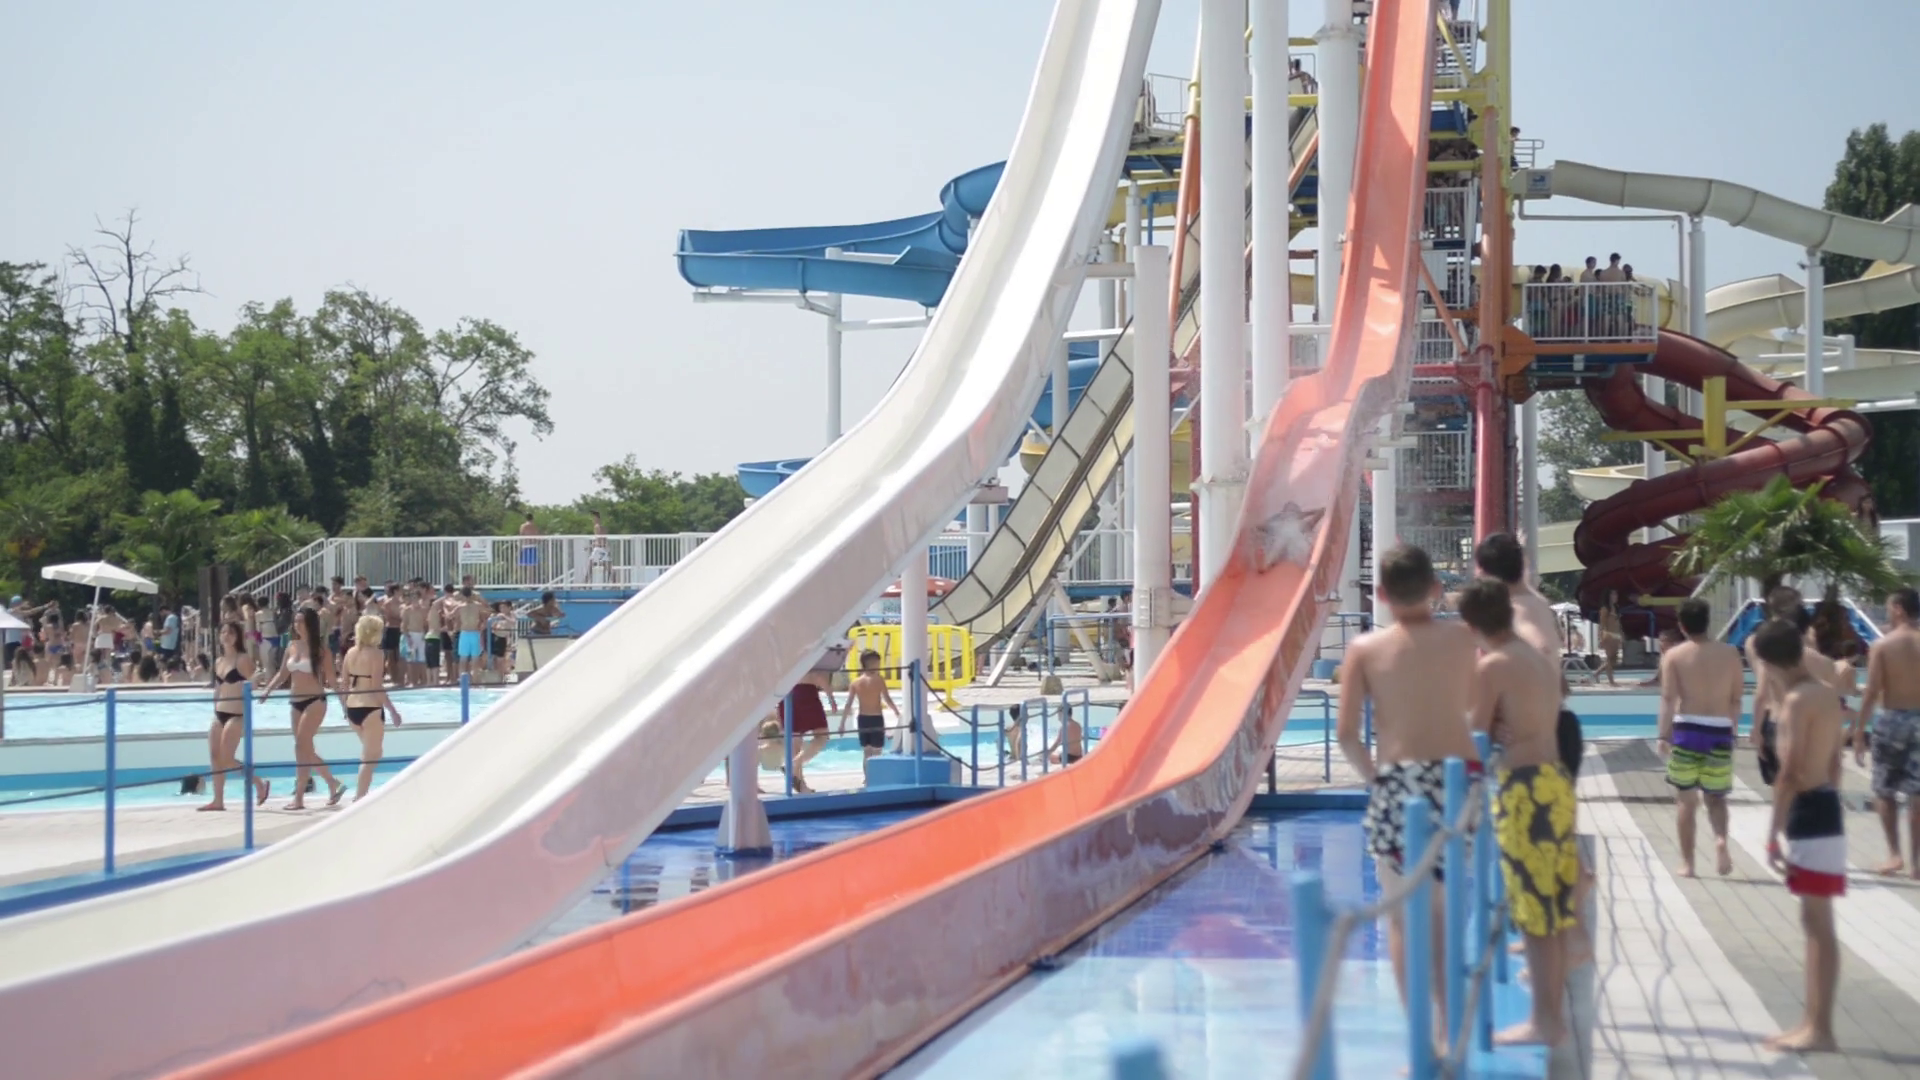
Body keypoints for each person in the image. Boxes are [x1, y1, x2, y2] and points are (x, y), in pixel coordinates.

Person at [1337, 545, 1480, 1030]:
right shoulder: (1465, 640)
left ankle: (1420, 1034)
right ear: (1435, 589)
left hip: (1400, 785)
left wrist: (1379, 780)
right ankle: (1447, 1024)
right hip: (1455, 781)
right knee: (1445, 909)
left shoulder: (1364, 650)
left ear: (1380, 594)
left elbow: (1347, 736)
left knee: (1400, 917)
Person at [1457, 579, 1575, 1048]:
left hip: (1524, 789)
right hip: (1554, 781)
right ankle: (1551, 1016)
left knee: (1534, 915)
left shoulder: (1496, 666)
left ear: (1472, 627)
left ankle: (1544, 1022)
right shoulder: (1534, 658)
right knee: (1551, 911)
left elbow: (1474, 731)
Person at [1753, 618, 1846, 1053]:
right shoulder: (1827, 695)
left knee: (1817, 926)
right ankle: (1813, 1022)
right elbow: (1832, 763)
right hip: (1826, 805)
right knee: (1816, 924)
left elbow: (1788, 773)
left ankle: (1819, 1028)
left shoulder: (1792, 702)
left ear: (1770, 662)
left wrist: (1772, 833)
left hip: (1808, 810)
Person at [1657, 598, 1743, 877]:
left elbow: (1669, 699)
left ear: (1681, 625)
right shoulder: (1730, 654)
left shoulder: (1674, 656)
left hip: (1687, 730)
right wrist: (1733, 729)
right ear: (1709, 622)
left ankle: (1688, 863)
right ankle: (1720, 840)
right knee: (1716, 798)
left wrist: (1663, 735)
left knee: (1686, 800)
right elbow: (1736, 698)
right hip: (1719, 729)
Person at [1855, 586, 1920, 877]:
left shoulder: (1883, 646)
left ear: (1899, 609)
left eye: (1889, 606)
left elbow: (1871, 692)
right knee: (1917, 793)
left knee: (1884, 789)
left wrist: (1859, 733)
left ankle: (1894, 854)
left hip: (1893, 719)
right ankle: (1917, 863)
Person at [259, 607, 347, 809]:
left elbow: (332, 680)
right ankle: (330, 784)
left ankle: (305, 795)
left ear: (310, 624)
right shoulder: (291, 645)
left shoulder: (321, 650)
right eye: (295, 621)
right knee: (303, 749)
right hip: (295, 701)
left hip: (315, 700)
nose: (297, 625)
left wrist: (344, 703)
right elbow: (282, 674)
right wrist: (267, 691)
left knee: (301, 746)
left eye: (301, 621)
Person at [201, 621, 269, 811]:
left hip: (237, 713)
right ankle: (218, 800)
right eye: (223, 632)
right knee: (215, 757)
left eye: (230, 633)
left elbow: (252, 684)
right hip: (220, 712)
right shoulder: (219, 661)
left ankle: (258, 783)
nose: (226, 636)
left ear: (237, 636)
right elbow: (219, 688)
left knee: (227, 758)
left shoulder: (242, 659)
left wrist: (256, 681)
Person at [341, 614, 403, 800]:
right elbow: (376, 686)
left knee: (373, 754)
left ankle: (361, 794)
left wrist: (345, 710)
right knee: (369, 758)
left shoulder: (350, 652)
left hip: (353, 707)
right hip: (370, 708)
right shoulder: (377, 653)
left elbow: (343, 684)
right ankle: (359, 799)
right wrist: (393, 710)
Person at [1750, 586, 1805, 784]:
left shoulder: (1754, 640)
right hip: (1797, 717)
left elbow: (1761, 690)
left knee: (1781, 785)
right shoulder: (1802, 641)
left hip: (1773, 716)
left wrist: (1755, 728)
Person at [777, 670, 836, 793]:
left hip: (786, 694)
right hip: (806, 692)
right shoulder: (809, 651)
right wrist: (831, 698)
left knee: (795, 743)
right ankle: (794, 764)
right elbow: (817, 675)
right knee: (822, 735)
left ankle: (801, 786)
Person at [840, 650, 900, 762]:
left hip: (862, 719)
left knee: (867, 752)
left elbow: (848, 704)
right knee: (877, 752)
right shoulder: (879, 680)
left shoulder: (856, 682)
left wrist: (842, 723)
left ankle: (867, 778)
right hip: (876, 719)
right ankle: (875, 778)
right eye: (878, 663)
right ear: (873, 663)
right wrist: (897, 712)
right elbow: (887, 699)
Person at [454, 584, 487, 680]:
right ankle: (474, 682)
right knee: (474, 659)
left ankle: (465, 681)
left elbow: (453, 618)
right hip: (472, 633)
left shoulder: (460, 607)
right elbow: (484, 618)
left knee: (464, 659)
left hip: (466, 633)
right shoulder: (477, 606)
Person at [1596, 591, 1623, 686]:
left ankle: (1596, 673)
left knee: (1613, 660)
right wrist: (1600, 637)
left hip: (1615, 635)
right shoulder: (1605, 609)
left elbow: (1618, 624)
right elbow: (1602, 624)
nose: (1615, 596)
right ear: (1608, 596)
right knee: (1609, 658)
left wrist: (1621, 635)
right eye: (1613, 594)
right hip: (1608, 635)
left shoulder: (1616, 608)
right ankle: (1611, 681)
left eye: (1616, 594)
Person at [588, 510, 611, 583]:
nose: (592, 520)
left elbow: (598, 539)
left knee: (590, 565)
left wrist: (590, 546)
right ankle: (614, 582)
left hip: (598, 549)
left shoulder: (596, 527)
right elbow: (604, 539)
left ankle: (584, 584)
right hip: (603, 549)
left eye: (593, 518)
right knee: (608, 567)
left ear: (596, 518)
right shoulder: (603, 528)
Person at [518, 510, 541, 583]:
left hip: (525, 546)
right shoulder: (534, 526)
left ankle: (527, 582)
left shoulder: (523, 526)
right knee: (531, 566)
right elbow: (537, 536)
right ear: (532, 518)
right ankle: (531, 582)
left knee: (526, 566)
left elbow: (521, 535)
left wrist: (520, 545)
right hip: (533, 546)